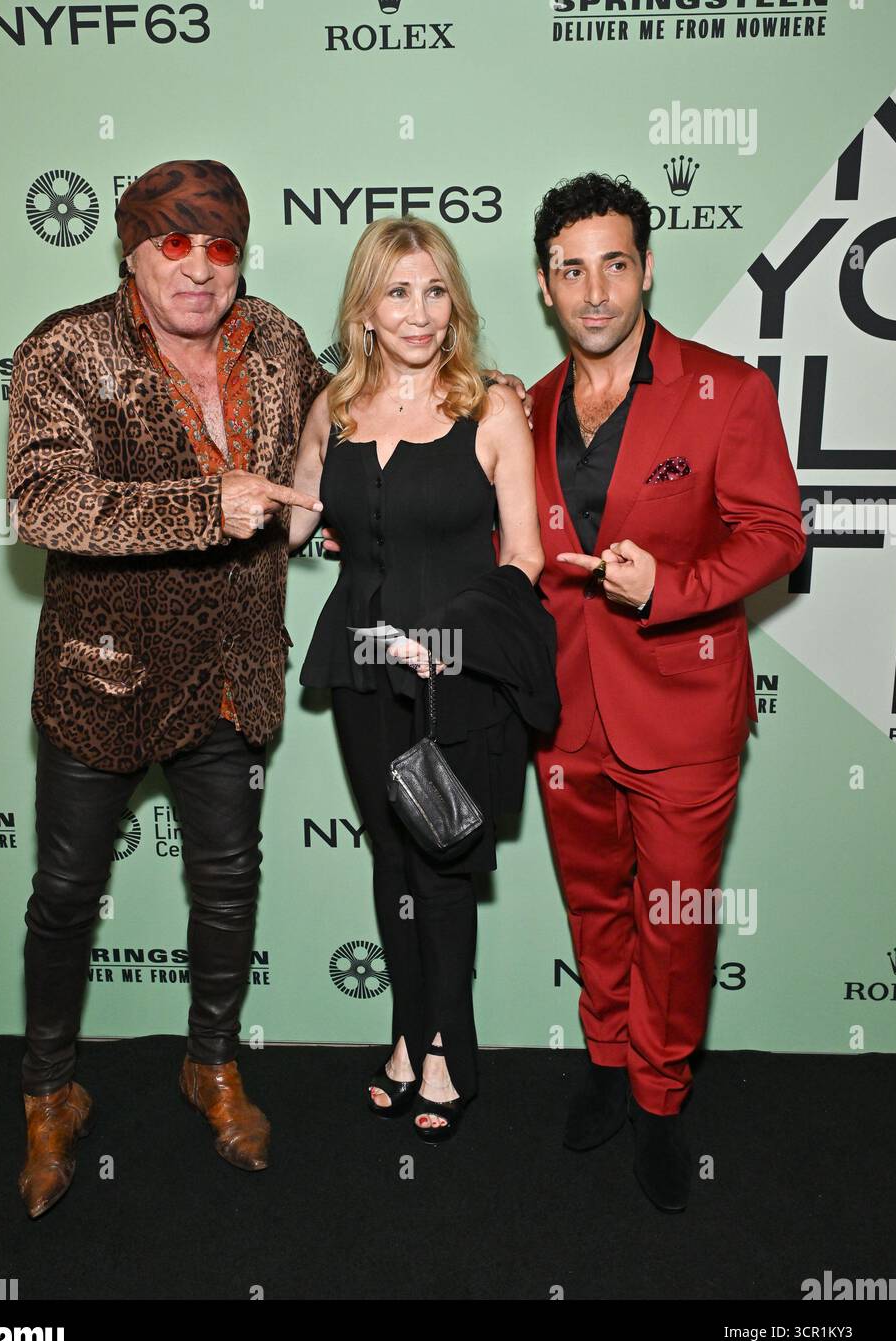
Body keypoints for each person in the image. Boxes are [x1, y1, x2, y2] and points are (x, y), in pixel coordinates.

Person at [6, 158, 331, 1217]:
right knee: (64, 893)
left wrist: (469, 393)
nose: (198, 267)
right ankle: (49, 1090)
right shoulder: (68, 348)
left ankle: (212, 1062)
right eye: (174, 243)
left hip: (234, 668)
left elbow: (352, 420)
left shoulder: (279, 342)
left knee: (229, 880)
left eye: (221, 244)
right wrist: (204, 507)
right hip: (102, 676)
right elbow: (44, 504)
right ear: (131, 251)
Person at [528, 173, 806, 1210]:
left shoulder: (724, 389)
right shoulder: (530, 404)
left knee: (675, 916)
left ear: (647, 268)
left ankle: (659, 1096)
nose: (594, 291)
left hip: (682, 710)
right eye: (571, 268)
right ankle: (606, 1056)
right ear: (546, 285)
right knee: (595, 900)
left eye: (613, 263)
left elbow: (779, 534)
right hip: (561, 708)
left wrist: (672, 589)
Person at [291, 217, 559, 1143]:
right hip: (363, 667)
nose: (418, 311)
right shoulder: (333, 408)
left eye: (435, 291)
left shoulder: (490, 407)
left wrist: (445, 635)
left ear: (456, 305)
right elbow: (288, 524)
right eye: (398, 291)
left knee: (442, 862)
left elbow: (523, 557)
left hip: (456, 675)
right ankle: (407, 1034)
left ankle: (451, 1052)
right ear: (364, 307)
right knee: (392, 861)